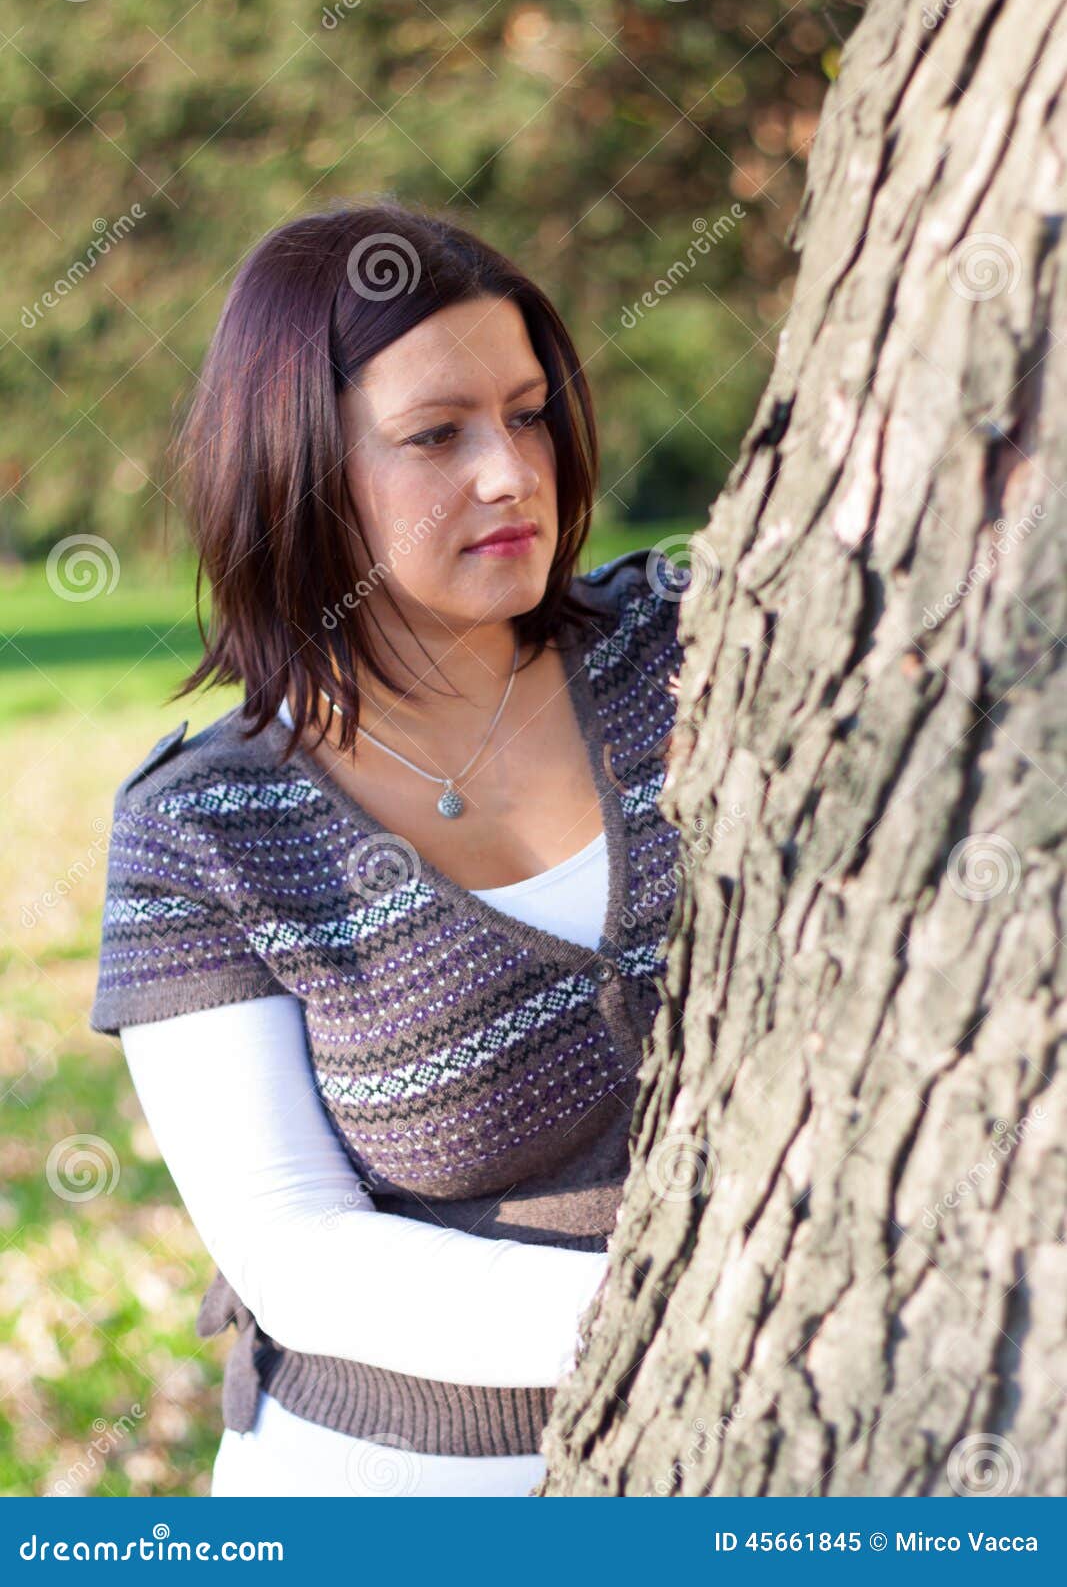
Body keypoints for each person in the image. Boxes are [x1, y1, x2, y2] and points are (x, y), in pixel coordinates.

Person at [89, 198, 691, 1495]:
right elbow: (304, 1258)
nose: (510, 471)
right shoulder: (207, 833)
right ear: (296, 468)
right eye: (437, 435)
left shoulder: (687, 653)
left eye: (529, 412)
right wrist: (723, 1318)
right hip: (408, 1489)